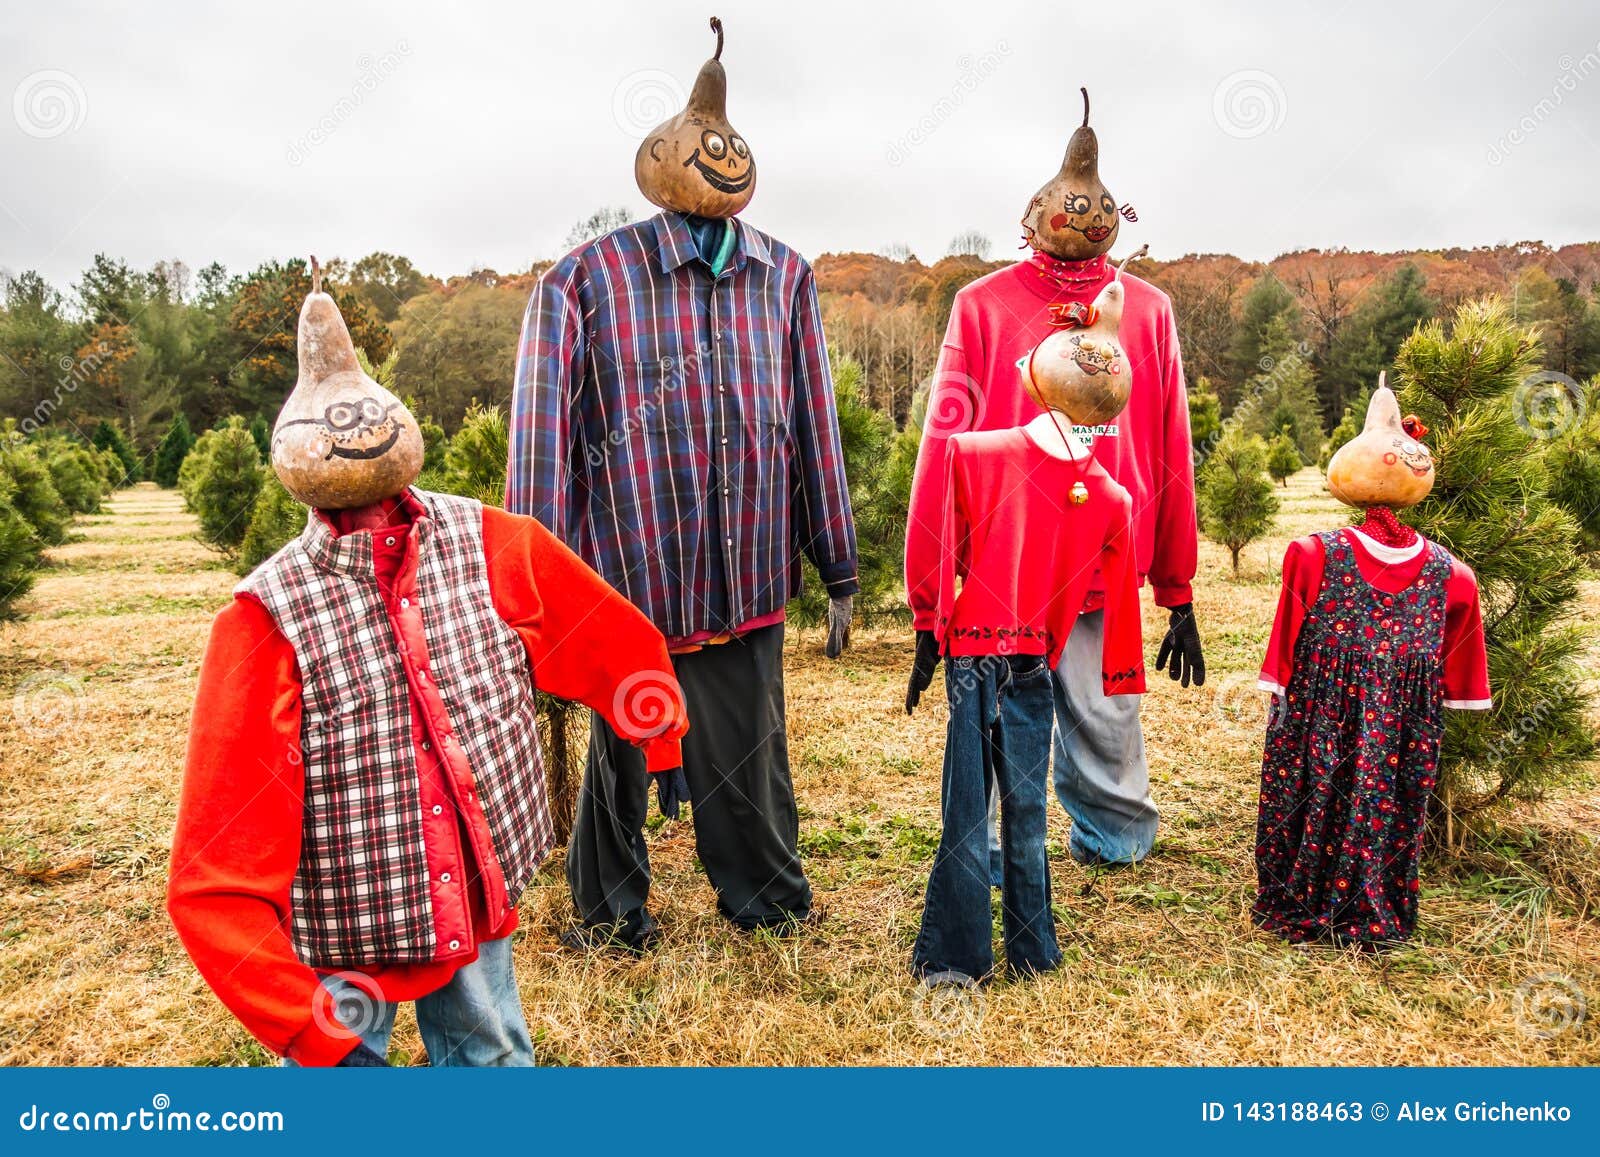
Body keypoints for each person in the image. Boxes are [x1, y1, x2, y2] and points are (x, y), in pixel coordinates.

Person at [167, 262, 687, 1066]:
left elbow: (603, 631)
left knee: (490, 1052)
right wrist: (314, 1033)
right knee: (349, 1075)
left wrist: (658, 728)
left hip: (470, 885)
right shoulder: (267, 618)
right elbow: (217, 860)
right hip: (348, 913)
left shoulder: (490, 542)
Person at [506, 18, 857, 949]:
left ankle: (763, 890)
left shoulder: (785, 278)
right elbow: (541, 442)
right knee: (622, 741)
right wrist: (535, 584)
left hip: (746, 571)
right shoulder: (583, 283)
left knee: (749, 741)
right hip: (629, 571)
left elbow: (815, 422)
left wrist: (840, 561)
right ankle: (612, 910)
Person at [905, 88, 1200, 873]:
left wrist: (1178, 588)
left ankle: (1114, 833)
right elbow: (944, 447)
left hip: (1106, 549)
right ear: (1031, 213)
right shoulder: (982, 307)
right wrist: (931, 601)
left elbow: (1170, 442)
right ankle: (995, 846)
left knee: (1108, 713)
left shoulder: (1148, 310)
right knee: (995, 709)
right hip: (1005, 559)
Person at [1254, 380, 1489, 947]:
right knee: (1373, 800)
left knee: (1324, 795)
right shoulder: (1325, 557)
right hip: (1382, 724)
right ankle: (1357, 901)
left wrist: (1281, 695)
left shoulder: (1443, 575)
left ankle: (1312, 898)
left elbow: (1283, 650)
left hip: (1327, 718)